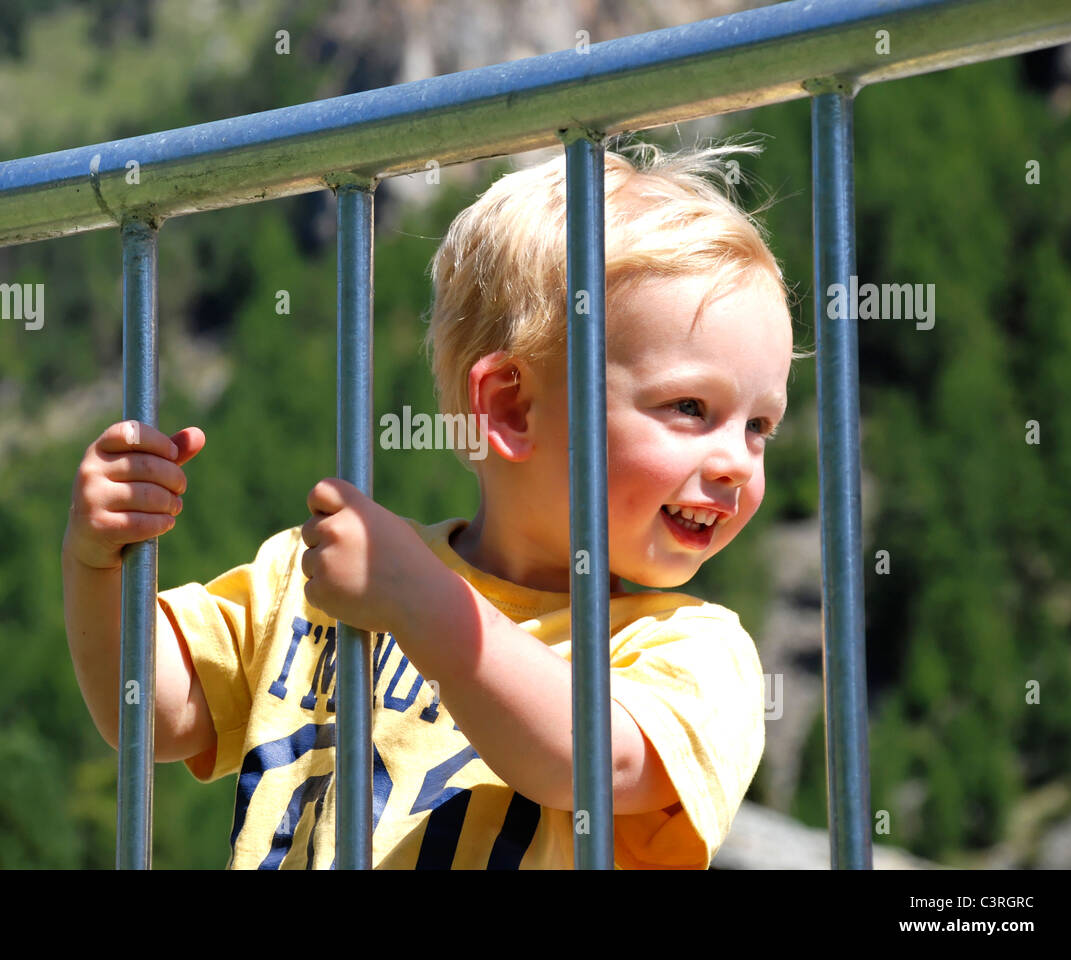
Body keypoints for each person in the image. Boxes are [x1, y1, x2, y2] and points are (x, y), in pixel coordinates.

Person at [61, 136, 805, 869]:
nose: (738, 461)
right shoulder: (321, 575)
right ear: (512, 409)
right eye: (689, 407)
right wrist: (99, 560)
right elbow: (153, 715)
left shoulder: (697, 653)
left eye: (760, 426)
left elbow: (592, 765)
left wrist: (420, 603)